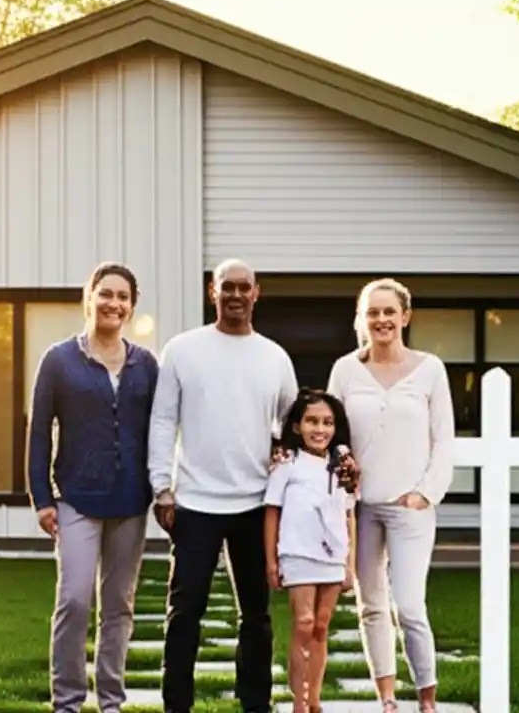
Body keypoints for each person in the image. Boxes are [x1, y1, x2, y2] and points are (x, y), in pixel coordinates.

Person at [148, 258, 299, 713]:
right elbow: (162, 420)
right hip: (194, 502)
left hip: (254, 504)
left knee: (255, 614)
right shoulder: (182, 350)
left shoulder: (274, 356)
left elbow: (290, 426)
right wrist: (162, 487)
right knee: (184, 611)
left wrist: (284, 473)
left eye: (243, 287)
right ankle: (177, 704)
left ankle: (255, 703)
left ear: (256, 293)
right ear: (212, 293)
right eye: (226, 287)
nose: (235, 294)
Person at [26, 262, 160, 713]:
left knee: (119, 607)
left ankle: (111, 702)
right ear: (90, 298)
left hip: (130, 502)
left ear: (131, 307)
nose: (114, 304)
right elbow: (40, 431)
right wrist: (42, 498)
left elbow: (160, 428)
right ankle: (66, 702)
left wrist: (162, 487)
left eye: (123, 297)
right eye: (106, 294)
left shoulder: (146, 365)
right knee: (74, 599)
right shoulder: (59, 360)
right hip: (76, 500)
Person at [326, 277, 454, 713]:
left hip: (410, 509)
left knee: (410, 606)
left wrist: (424, 494)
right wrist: (345, 482)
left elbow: (444, 440)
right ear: (361, 320)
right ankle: (387, 699)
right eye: (372, 312)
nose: (381, 319)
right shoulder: (345, 370)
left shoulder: (429, 369)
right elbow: (333, 436)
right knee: (371, 606)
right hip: (360, 511)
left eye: (388, 311)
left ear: (405, 316)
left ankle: (427, 698)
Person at [263, 388, 359, 713]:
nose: (320, 429)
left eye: (327, 422)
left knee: (321, 624)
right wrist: (271, 561)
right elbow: (272, 510)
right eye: (312, 422)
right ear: (297, 426)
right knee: (303, 623)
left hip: (333, 555)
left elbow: (349, 516)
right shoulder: (287, 463)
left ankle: (315, 699)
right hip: (297, 552)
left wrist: (351, 565)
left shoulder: (342, 466)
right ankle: (299, 701)